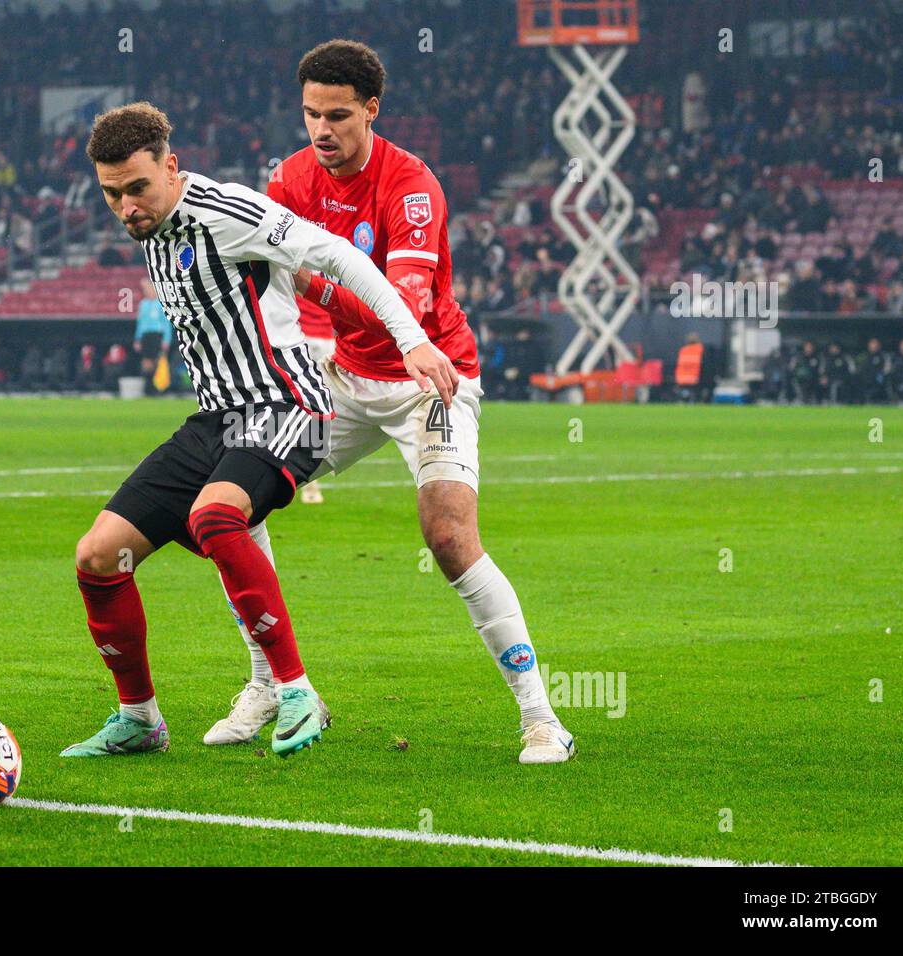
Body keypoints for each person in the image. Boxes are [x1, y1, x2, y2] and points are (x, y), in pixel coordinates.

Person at [205, 41, 575, 765]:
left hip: (429, 380)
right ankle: (269, 685)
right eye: (310, 113)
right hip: (345, 380)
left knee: (447, 535)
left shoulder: (411, 187)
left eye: (338, 115)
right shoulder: (289, 178)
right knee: (232, 499)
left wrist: (310, 284)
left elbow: (394, 308)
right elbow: (268, 276)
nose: (321, 129)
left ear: (372, 109)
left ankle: (541, 718)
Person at [64, 102, 457, 758]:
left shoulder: (227, 212)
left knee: (215, 518)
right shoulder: (153, 227)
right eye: (112, 195)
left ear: (171, 165)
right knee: (98, 558)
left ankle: (296, 691)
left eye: (138, 188)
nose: (127, 206)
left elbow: (336, 256)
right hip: (216, 419)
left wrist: (411, 339)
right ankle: (139, 720)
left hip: (288, 406)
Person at [133, 279, 171, 394]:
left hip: (157, 335)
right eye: (145, 290)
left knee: (157, 361)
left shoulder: (160, 304)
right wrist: (137, 339)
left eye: (148, 289)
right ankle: (148, 387)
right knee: (146, 362)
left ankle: (158, 387)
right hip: (146, 335)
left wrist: (166, 339)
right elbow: (140, 323)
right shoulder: (143, 304)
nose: (146, 291)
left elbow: (166, 323)